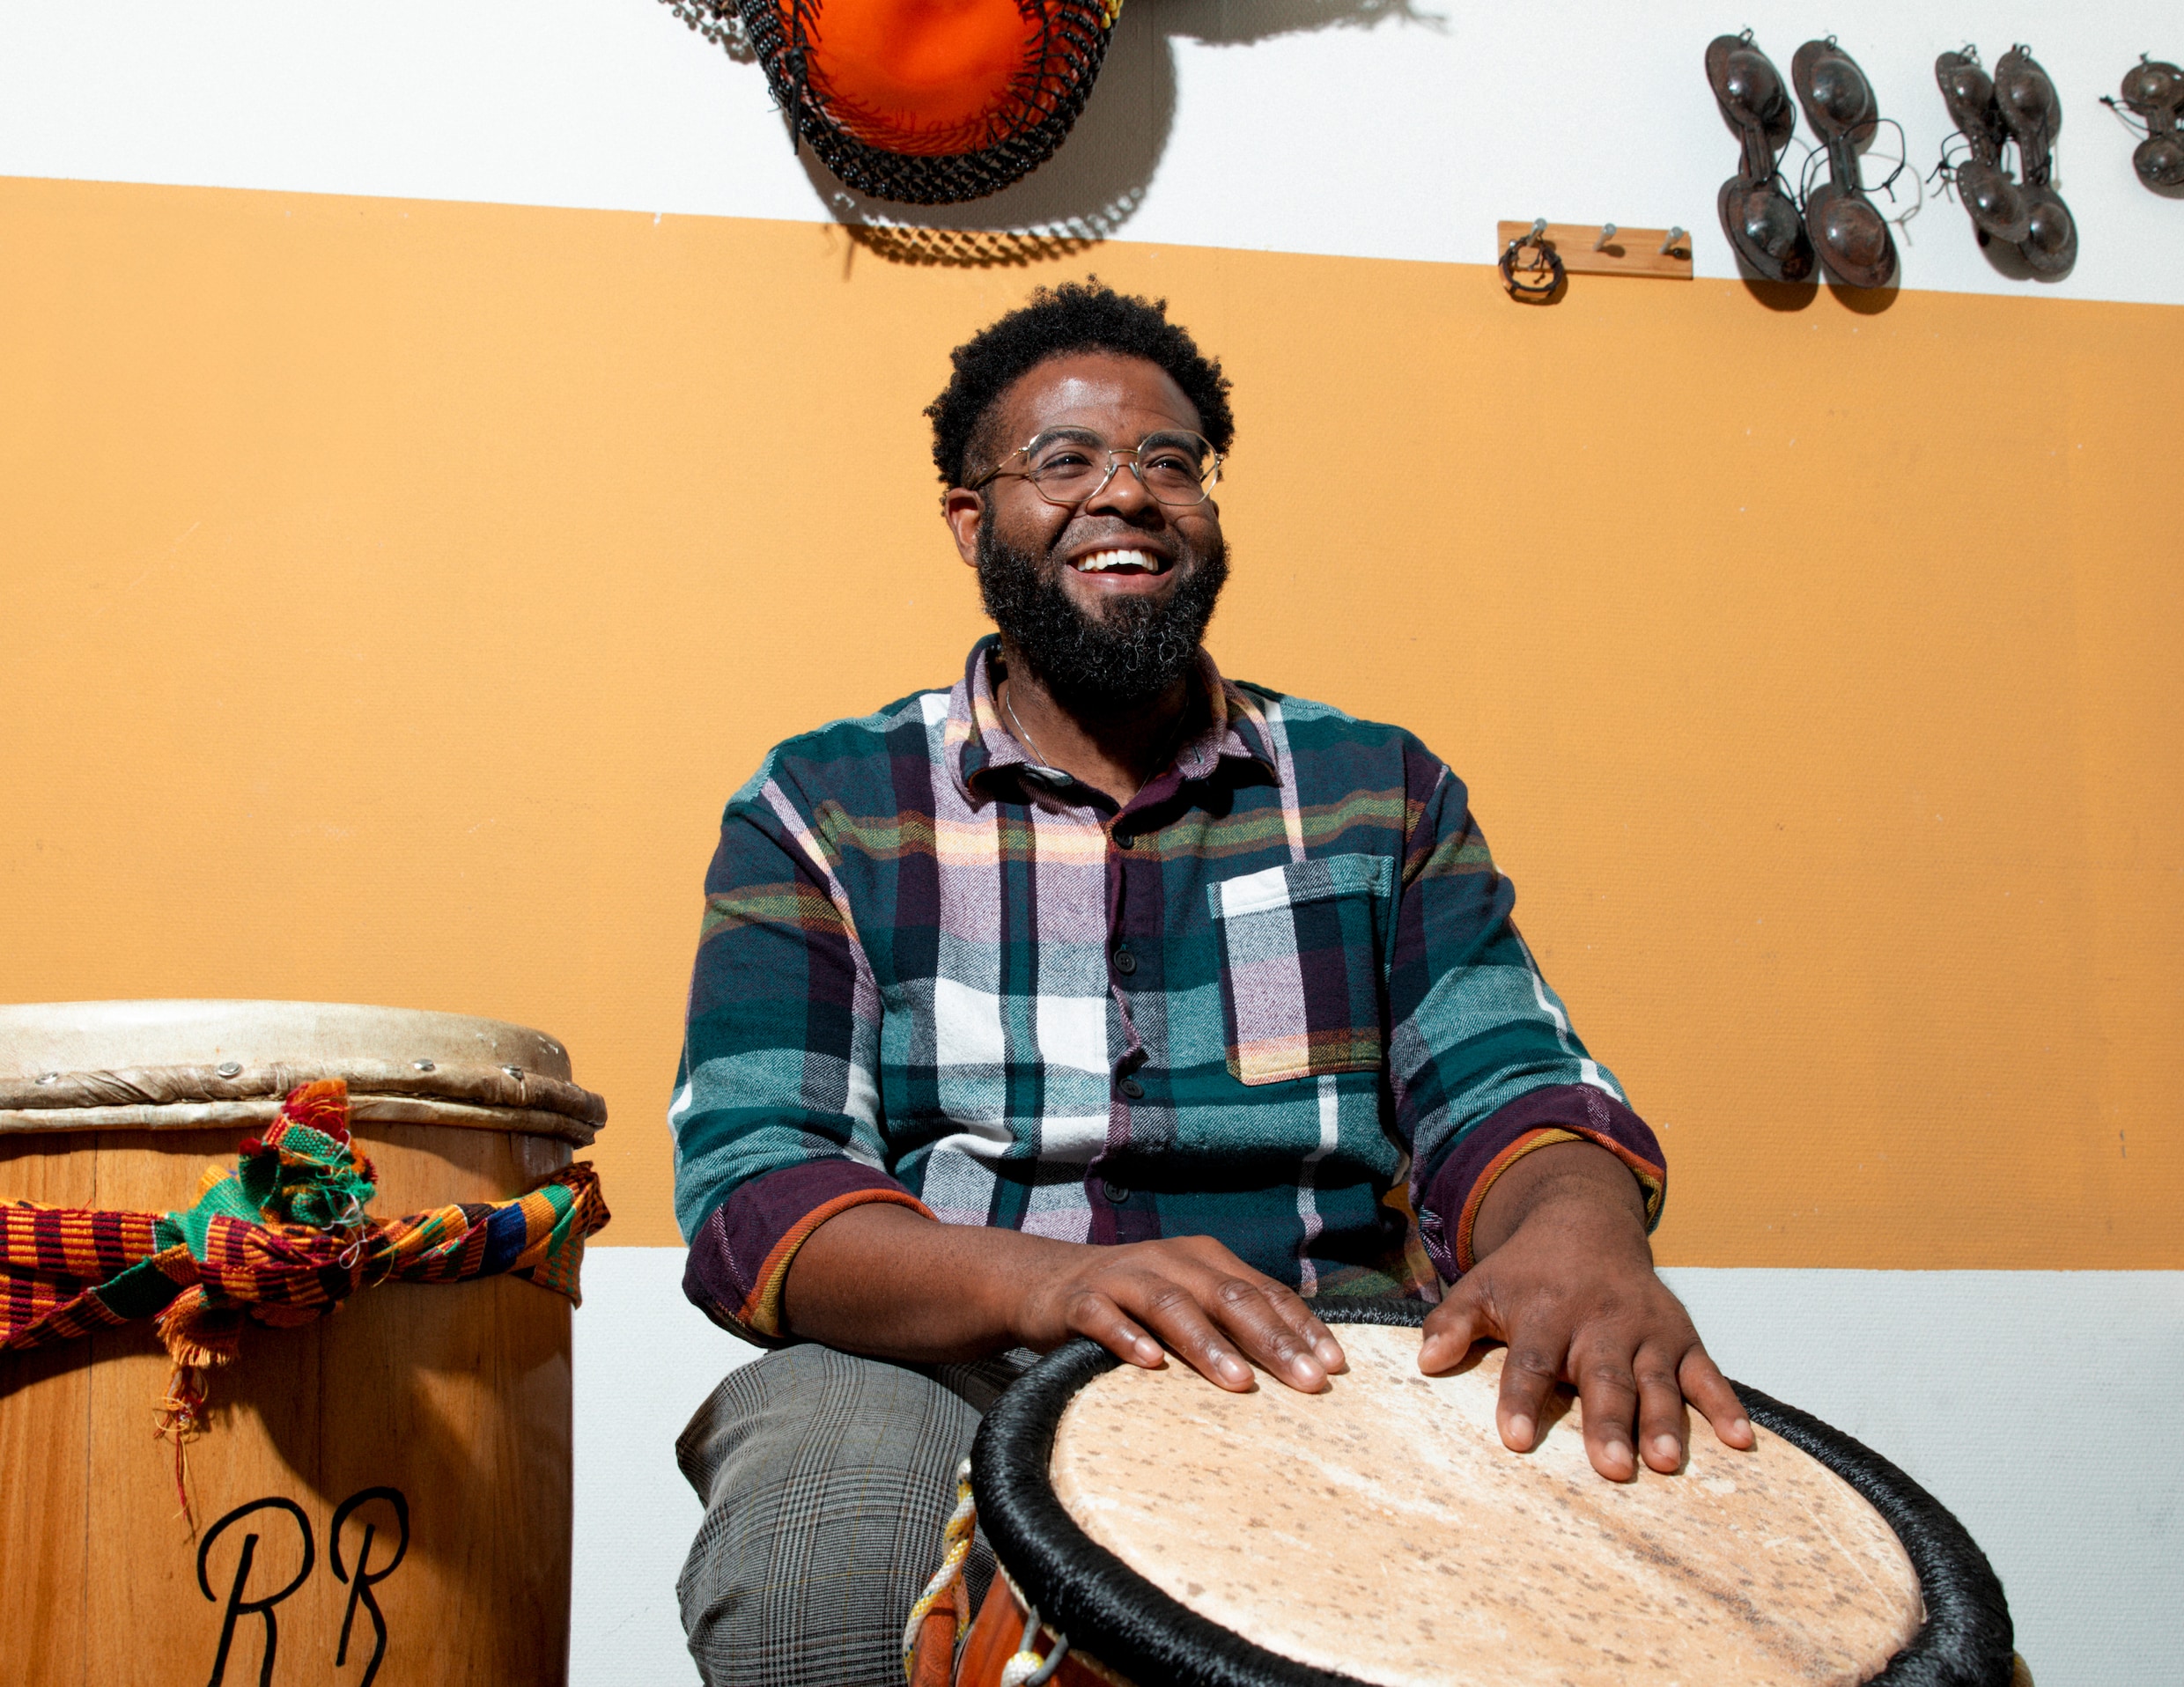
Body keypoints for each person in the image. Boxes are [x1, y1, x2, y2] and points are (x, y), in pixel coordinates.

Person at [669, 280, 1753, 1687]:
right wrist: (1060, 1285)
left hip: (1323, 1353)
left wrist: (1582, 1234)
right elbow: (761, 1195)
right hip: (948, 1355)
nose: (1127, 495)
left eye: (1170, 463)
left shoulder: (1376, 788)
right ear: (968, 518)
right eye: (1064, 462)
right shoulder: (822, 803)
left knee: (1692, 1570)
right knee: (813, 1560)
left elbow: (1509, 1088)